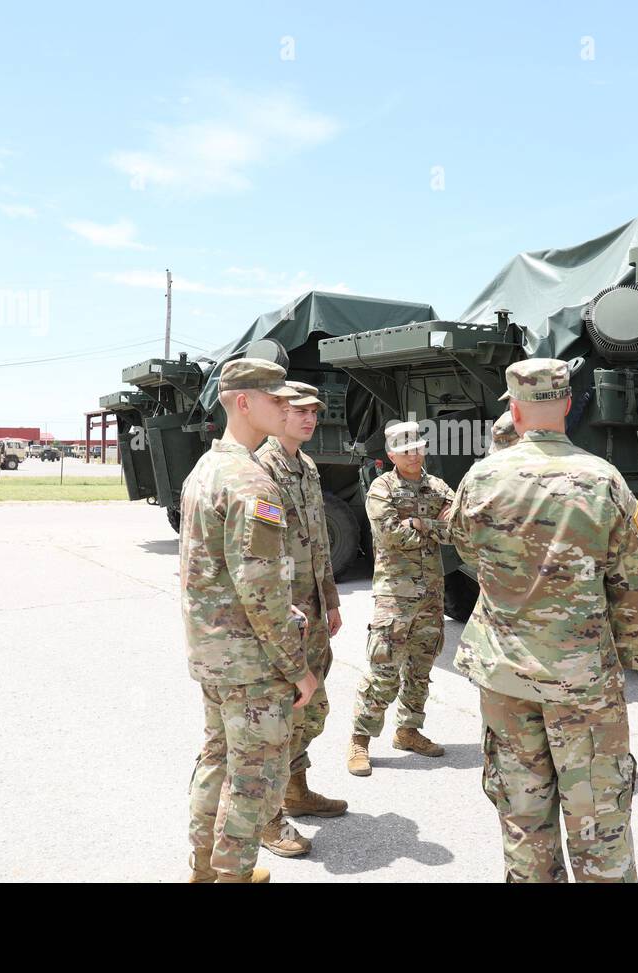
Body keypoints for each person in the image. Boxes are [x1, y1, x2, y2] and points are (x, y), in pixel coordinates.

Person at [447, 358, 638, 882]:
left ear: (514, 411)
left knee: (522, 815)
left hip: (505, 676)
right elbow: (634, 579)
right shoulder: (604, 480)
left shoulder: (481, 478)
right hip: (581, 676)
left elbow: (463, 549)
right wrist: (633, 656)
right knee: (598, 818)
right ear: (566, 405)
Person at [180, 358, 317, 884]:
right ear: (244, 403)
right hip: (250, 661)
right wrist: (298, 667)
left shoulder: (208, 467)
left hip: (213, 652)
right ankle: (232, 875)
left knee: (217, 760)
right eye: (277, 400)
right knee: (253, 776)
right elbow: (261, 591)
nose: (286, 409)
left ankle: (204, 870)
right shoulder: (250, 482)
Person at [255, 380, 346, 858]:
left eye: (314, 411)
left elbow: (319, 543)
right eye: (300, 411)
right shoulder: (261, 467)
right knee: (276, 713)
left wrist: (330, 600)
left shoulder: (306, 467)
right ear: (278, 413)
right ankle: (267, 817)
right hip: (279, 613)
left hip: (311, 610)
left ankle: (295, 788)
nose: (310, 419)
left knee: (311, 708)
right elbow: (258, 554)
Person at [347, 421, 454, 775]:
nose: (413, 454)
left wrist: (420, 525)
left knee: (421, 667)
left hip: (431, 593)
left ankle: (409, 731)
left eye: (418, 447)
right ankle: (360, 740)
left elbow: (458, 525)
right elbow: (390, 534)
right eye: (405, 449)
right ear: (391, 454)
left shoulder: (435, 485)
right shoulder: (382, 488)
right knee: (385, 669)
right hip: (396, 594)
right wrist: (429, 527)